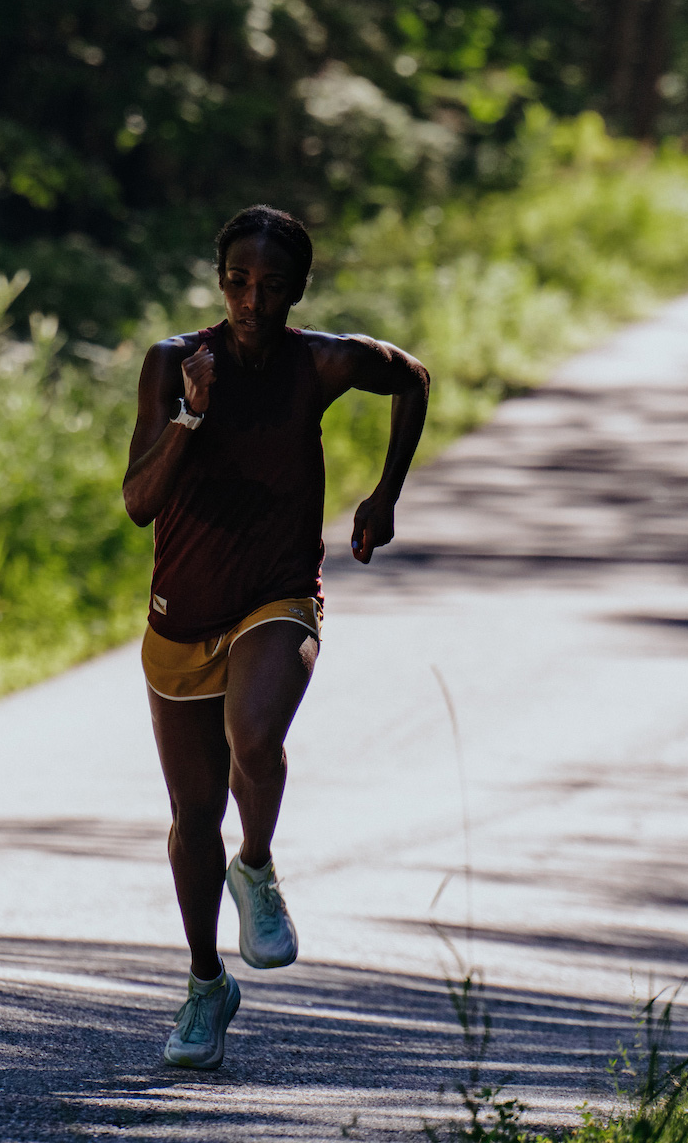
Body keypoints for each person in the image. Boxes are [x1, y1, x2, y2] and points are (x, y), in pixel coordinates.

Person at [121, 205, 429, 1069]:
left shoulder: (319, 362)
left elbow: (413, 378)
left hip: (279, 593)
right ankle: (206, 982)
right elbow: (139, 501)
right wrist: (189, 418)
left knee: (254, 733)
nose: (254, 300)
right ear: (220, 280)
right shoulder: (176, 363)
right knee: (190, 818)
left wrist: (385, 495)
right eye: (239, 282)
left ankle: (255, 863)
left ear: (298, 289)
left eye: (273, 285)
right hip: (183, 608)